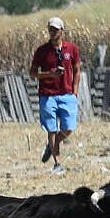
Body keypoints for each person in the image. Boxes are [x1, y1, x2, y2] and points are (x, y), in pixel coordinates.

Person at [30, 16, 80, 174]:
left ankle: (52, 146)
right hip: (47, 95)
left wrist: (75, 91)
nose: (52, 32)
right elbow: (33, 74)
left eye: (55, 29)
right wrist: (49, 74)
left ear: (62, 31)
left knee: (68, 128)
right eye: (50, 29)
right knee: (51, 129)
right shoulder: (42, 51)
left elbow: (77, 69)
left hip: (67, 94)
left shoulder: (71, 49)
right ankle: (57, 163)